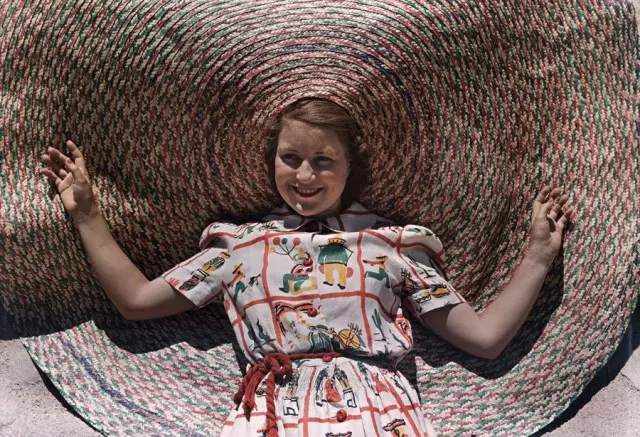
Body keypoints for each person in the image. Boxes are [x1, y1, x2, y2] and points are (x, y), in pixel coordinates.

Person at [40, 98, 573, 437]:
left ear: (349, 168)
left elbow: (483, 337)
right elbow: (135, 302)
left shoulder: (388, 246)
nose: (305, 175)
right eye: (291, 157)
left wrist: (537, 257)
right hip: (273, 411)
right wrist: (86, 213)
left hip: (378, 413)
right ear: (271, 159)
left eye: (324, 161)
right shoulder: (238, 246)